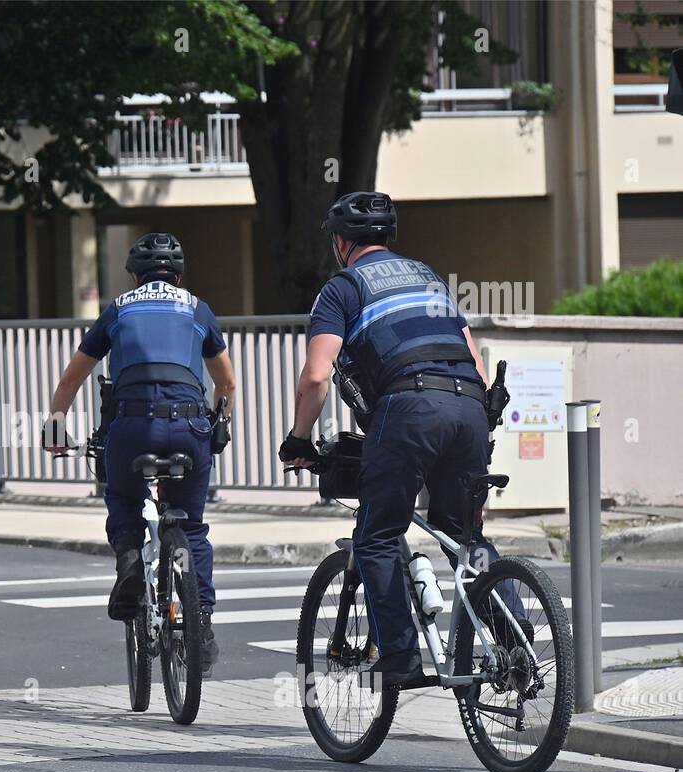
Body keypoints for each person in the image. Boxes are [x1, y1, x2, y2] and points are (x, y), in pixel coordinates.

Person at [280, 191, 509, 687]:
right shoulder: (429, 278)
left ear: (341, 242)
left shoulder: (342, 288)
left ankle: (401, 658)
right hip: (471, 406)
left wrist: (299, 440)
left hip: (408, 407)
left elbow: (317, 377)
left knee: (378, 534)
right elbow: (474, 357)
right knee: (461, 534)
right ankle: (513, 644)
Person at [43, 233, 236, 677]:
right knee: (193, 526)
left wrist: (55, 427)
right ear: (179, 275)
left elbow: (72, 379)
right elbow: (227, 384)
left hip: (131, 427)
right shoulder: (197, 307)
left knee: (124, 499)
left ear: (133, 276)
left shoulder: (119, 308)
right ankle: (200, 624)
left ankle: (130, 557)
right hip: (189, 427)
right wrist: (221, 426)